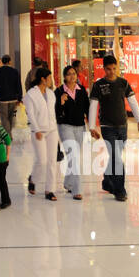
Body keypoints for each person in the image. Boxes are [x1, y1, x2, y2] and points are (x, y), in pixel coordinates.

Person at [88, 54, 139, 202]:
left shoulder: (123, 83)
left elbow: (132, 102)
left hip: (122, 127)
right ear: (103, 69)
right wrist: (92, 127)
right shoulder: (98, 85)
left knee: (115, 157)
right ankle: (120, 190)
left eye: (114, 68)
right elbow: (93, 105)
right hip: (107, 127)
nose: (111, 72)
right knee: (117, 159)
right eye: (108, 69)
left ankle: (107, 181)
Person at [23, 67, 60, 201]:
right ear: (43, 79)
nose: (51, 81)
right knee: (42, 161)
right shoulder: (30, 95)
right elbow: (30, 114)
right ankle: (33, 178)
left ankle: (49, 190)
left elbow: (52, 112)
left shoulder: (51, 94)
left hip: (52, 130)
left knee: (52, 161)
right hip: (38, 131)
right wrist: (37, 129)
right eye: (49, 78)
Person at [54, 65, 90, 200]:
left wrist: (92, 127)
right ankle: (76, 190)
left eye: (74, 73)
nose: (72, 76)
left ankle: (68, 183)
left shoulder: (82, 91)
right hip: (65, 127)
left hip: (80, 127)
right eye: (69, 74)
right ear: (64, 77)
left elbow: (87, 109)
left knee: (73, 156)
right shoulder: (58, 92)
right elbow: (55, 113)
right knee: (73, 156)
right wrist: (61, 102)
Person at [0, 55, 23, 135]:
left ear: (2, 62)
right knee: (10, 117)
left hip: (2, 99)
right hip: (13, 98)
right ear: (10, 61)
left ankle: (8, 134)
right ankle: (9, 133)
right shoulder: (15, 71)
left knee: (4, 118)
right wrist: (19, 98)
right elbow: (18, 85)